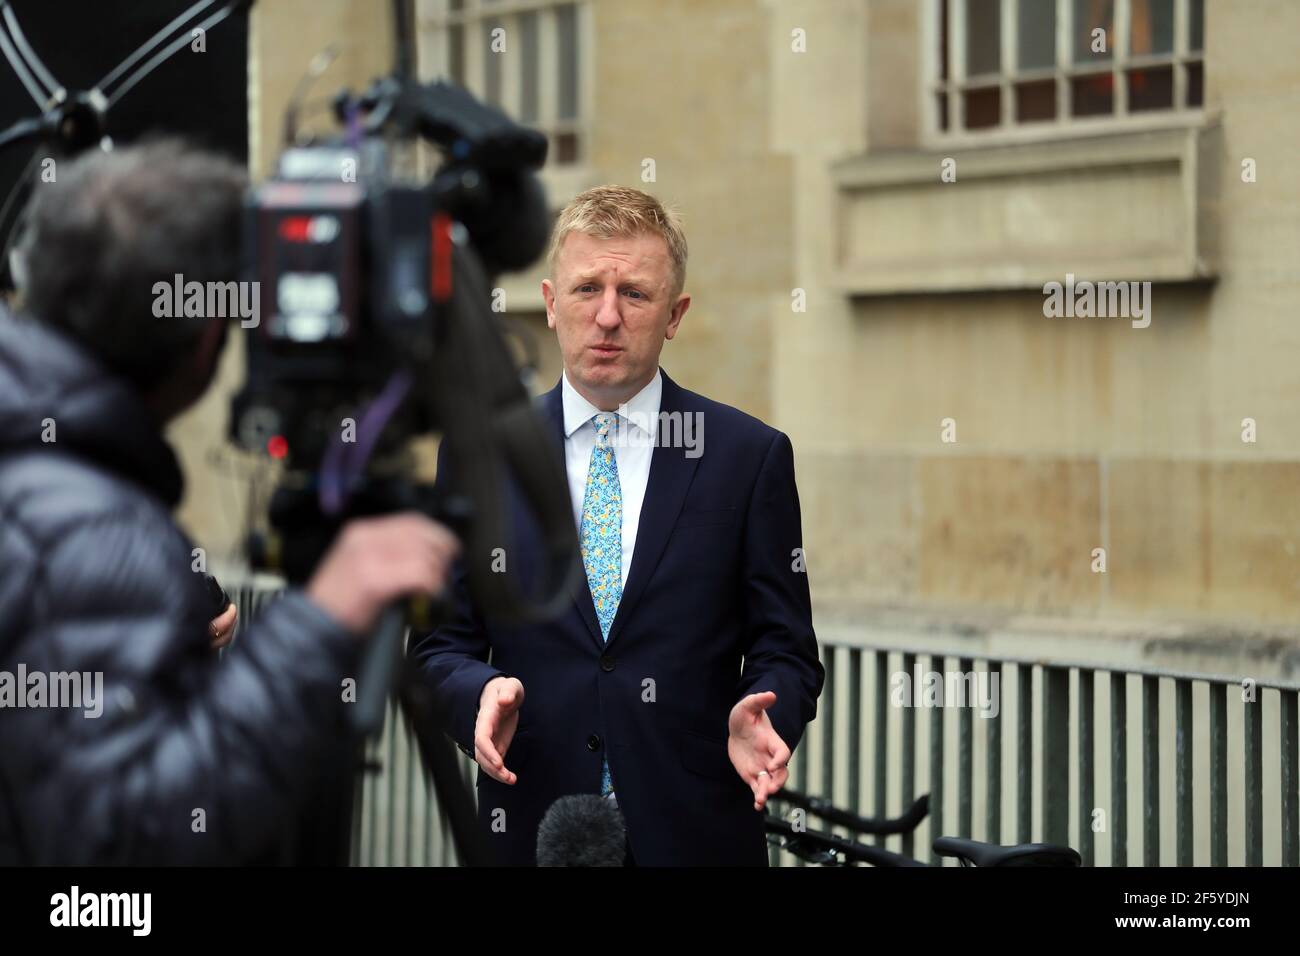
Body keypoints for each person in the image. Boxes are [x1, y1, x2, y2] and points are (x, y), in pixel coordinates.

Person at [0, 140, 459, 864]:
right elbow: (114, 869)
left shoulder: (37, 464)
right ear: (207, 336)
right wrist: (317, 625)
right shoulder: (84, 531)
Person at [410, 185, 825, 865]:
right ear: (549, 304)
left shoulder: (746, 458)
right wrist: (476, 693)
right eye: (586, 290)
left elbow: (788, 649)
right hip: (534, 835)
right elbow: (434, 648)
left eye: (634, 294)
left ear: (675, 314)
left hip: (695, 838)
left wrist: (766, 715)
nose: (607, 316)